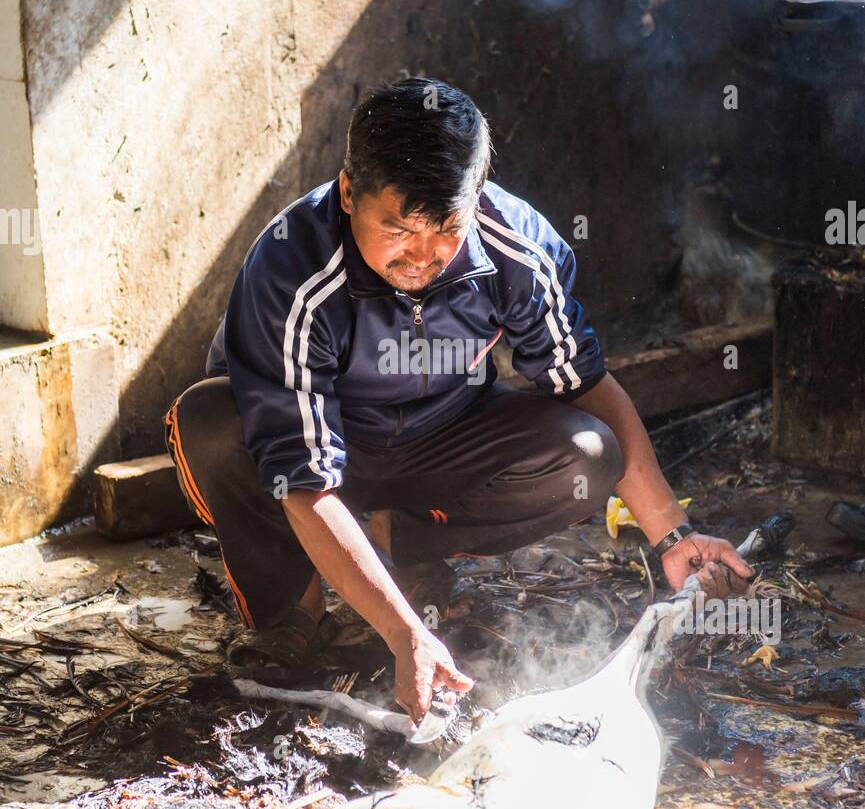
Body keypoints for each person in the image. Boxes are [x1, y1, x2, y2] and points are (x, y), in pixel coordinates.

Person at [165, 78, 752, 723]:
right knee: (211, 420)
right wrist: (402, 634)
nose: (424, 257)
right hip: (311, 456)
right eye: (398, 230)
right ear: (347, 193)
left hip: (439, 437)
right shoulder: (290, 270)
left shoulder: (516, 248)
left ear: (478, 197)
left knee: (588, 452)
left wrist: (674, 532)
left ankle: (392, 544)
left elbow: (583, 384)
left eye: (448, 228)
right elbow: (303, 479)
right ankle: (294, 609)